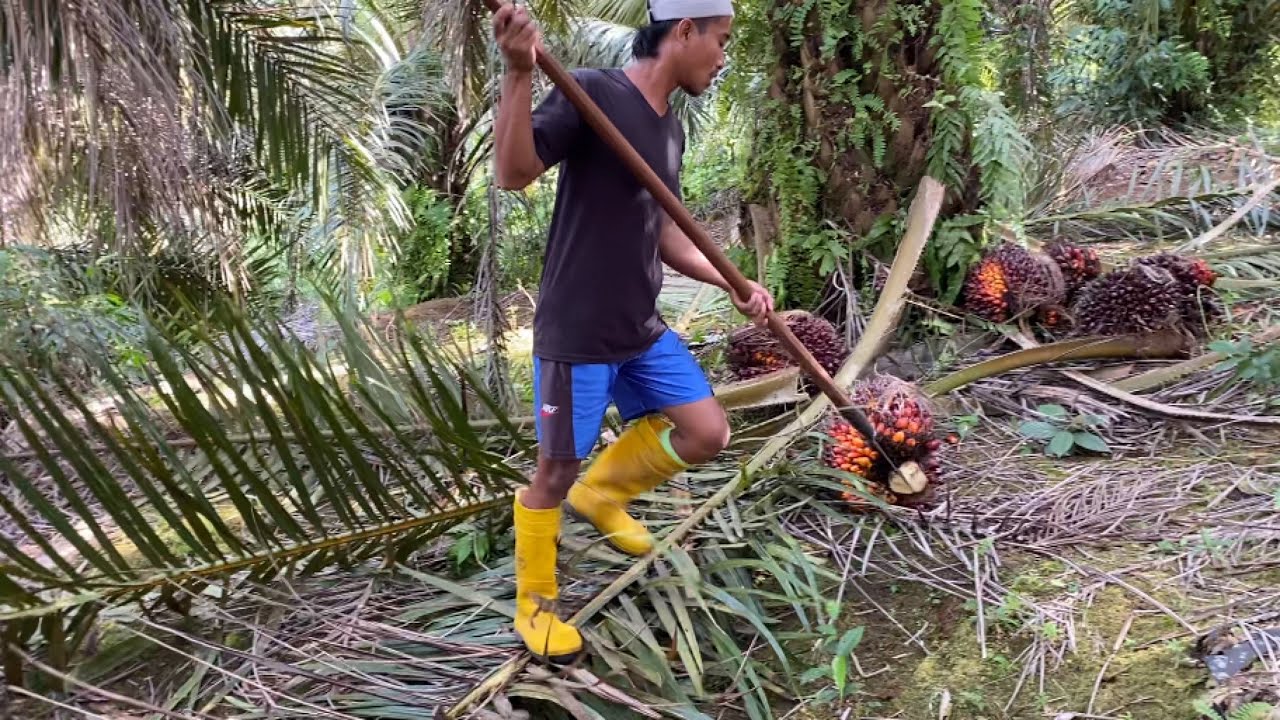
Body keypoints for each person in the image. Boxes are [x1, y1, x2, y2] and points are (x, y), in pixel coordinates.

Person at [490, 0, 772, 662]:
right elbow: (513, 173)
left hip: (640, 326)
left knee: (707, 431)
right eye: (721, 41)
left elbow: (667, 234)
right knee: (554, 470)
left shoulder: (670, 129)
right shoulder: (590, 92)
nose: (723, 57)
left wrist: (733, 282)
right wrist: (518, 71)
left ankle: (606, 492)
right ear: (683, 32)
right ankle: (534, 604)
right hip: (579, 330)